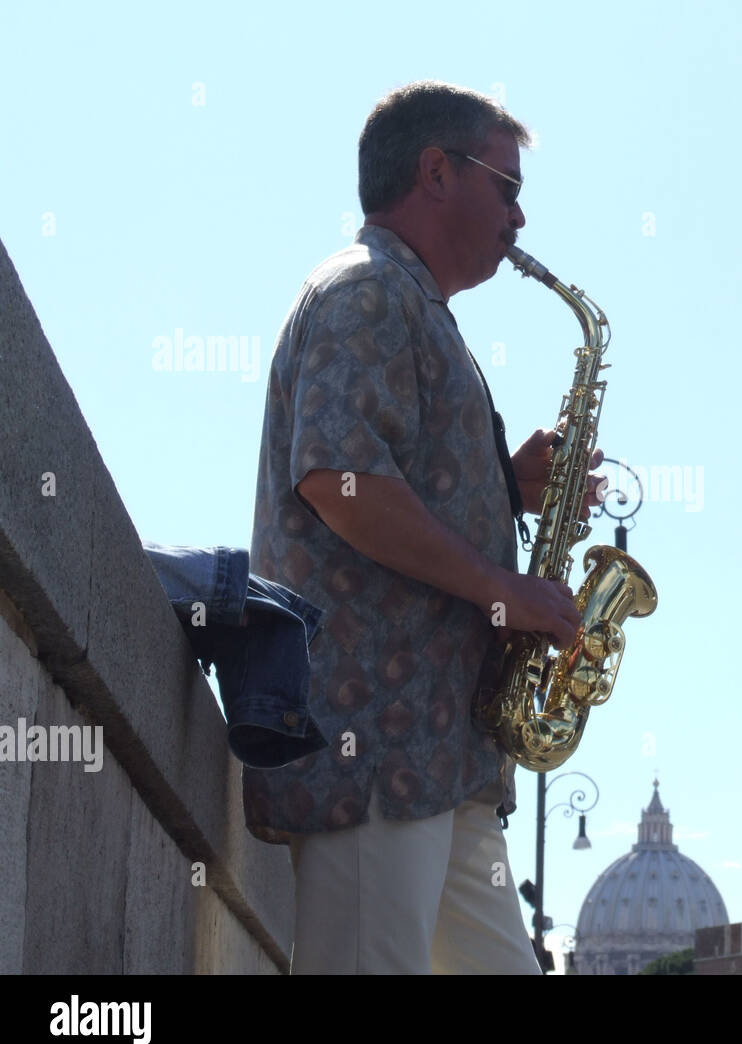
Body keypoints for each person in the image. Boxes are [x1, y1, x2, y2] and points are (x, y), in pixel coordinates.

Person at [241, 80, 605, 974]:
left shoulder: (414, 308)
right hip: (376, 747)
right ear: (436, 171)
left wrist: (506, 485)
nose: (520, 217)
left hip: (444, 759)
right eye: (507, 186)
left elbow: (378, 480)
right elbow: (339, 480)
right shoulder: (366, 291)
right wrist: (506, 589)